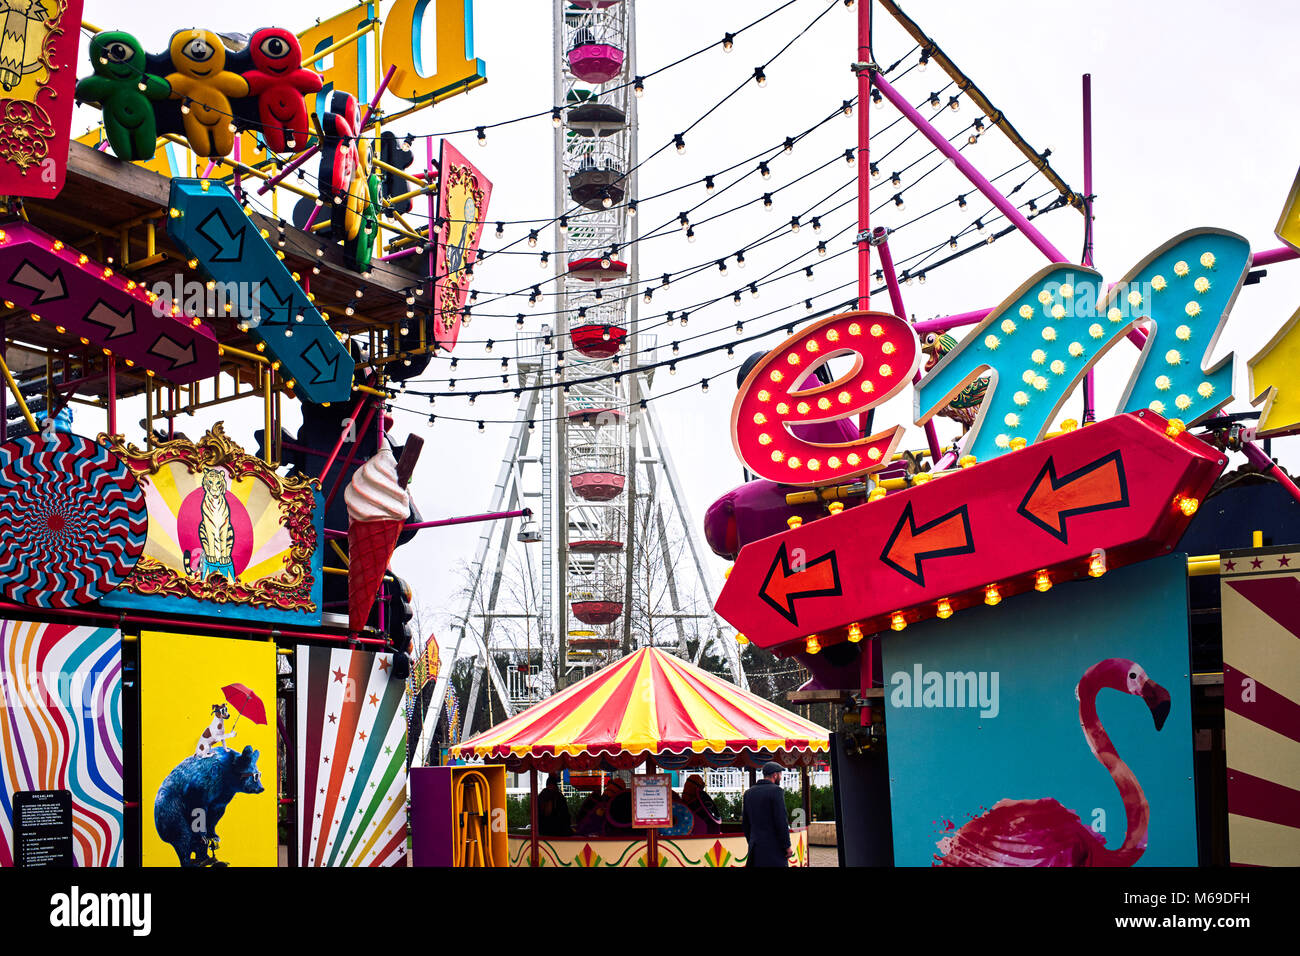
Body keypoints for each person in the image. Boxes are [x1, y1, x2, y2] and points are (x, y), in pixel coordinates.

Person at [742, 761, 793, 867]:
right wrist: (787, 846)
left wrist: (752, 841)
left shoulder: (748, 793)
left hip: (755, 849)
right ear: (775, 775)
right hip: (774, 849)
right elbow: (781, 821)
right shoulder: (776, 791)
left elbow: (745, 823)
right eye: (780, 774)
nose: (781, 777)